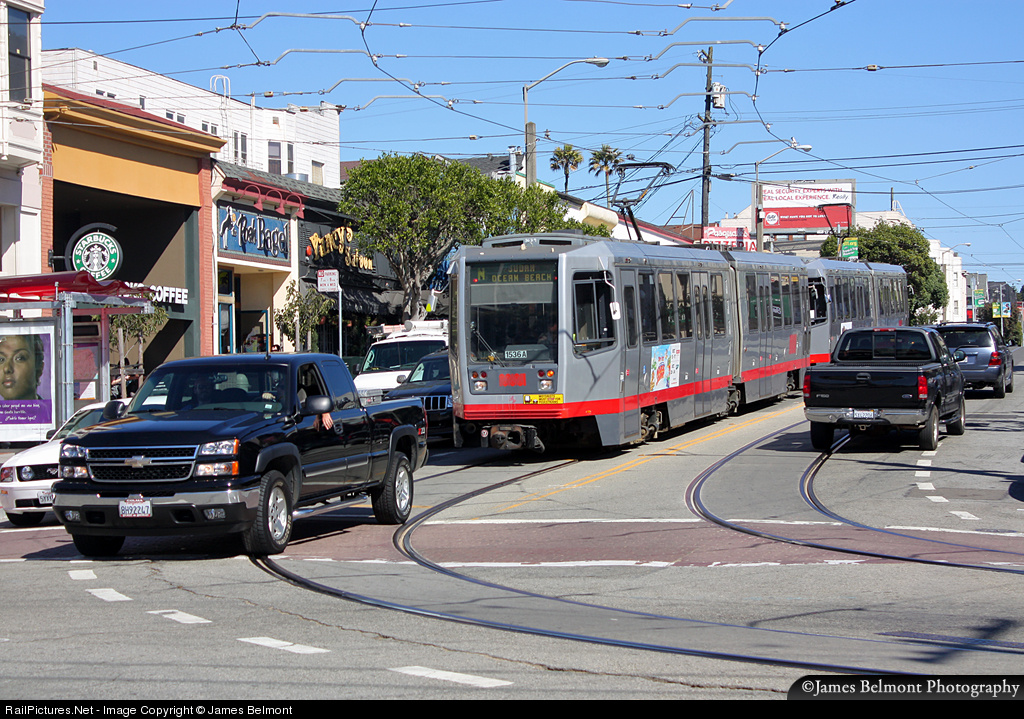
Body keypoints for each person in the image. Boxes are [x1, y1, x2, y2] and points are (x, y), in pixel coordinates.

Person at [0, 334, 44, 401]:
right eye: (1, 359)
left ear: (39, 369)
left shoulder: (51, 411)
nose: (7, 368)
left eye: (19, 358)